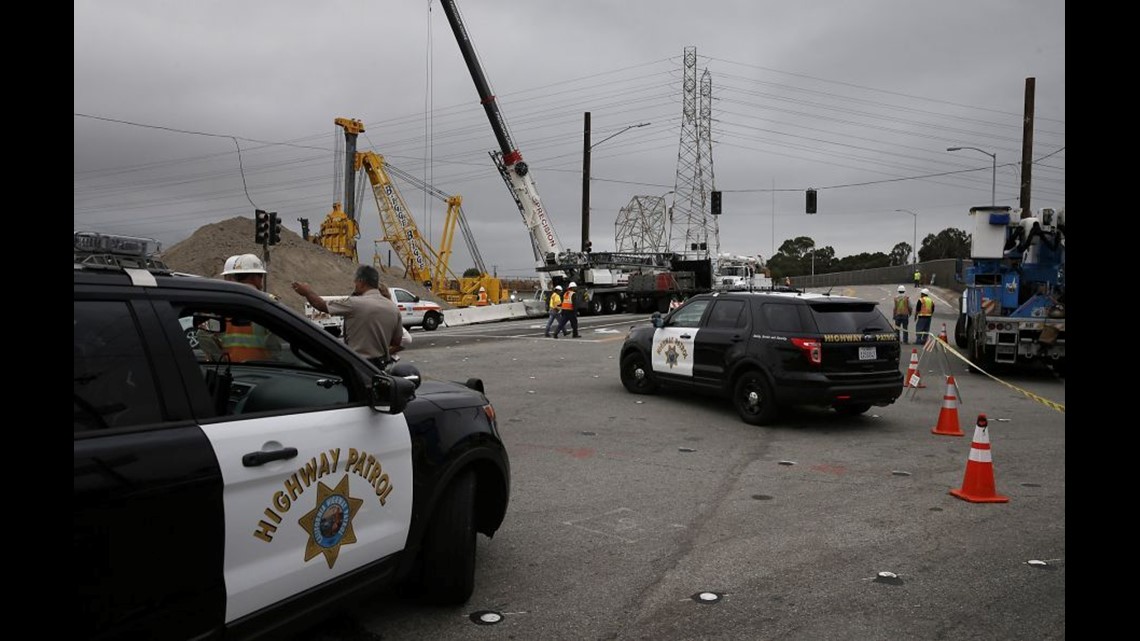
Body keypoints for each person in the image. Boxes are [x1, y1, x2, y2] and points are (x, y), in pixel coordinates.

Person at [292, 265, 403, 369]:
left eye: (355, 281)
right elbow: (396, 342)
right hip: (380, 366)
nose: (354, 284)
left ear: (361, 282)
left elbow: (321, 305)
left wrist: (307, 292)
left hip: (358, 363)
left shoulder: (354, 303)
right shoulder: (393, 308)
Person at [218, 254, 275, 362]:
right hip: (262, 370)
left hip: (230, 370)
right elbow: (275, 343)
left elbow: (205, 335)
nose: (262, 280)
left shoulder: (223, 304)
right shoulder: (266, 303)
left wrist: (219, 361)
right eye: (260, 276)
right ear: (254, 277)